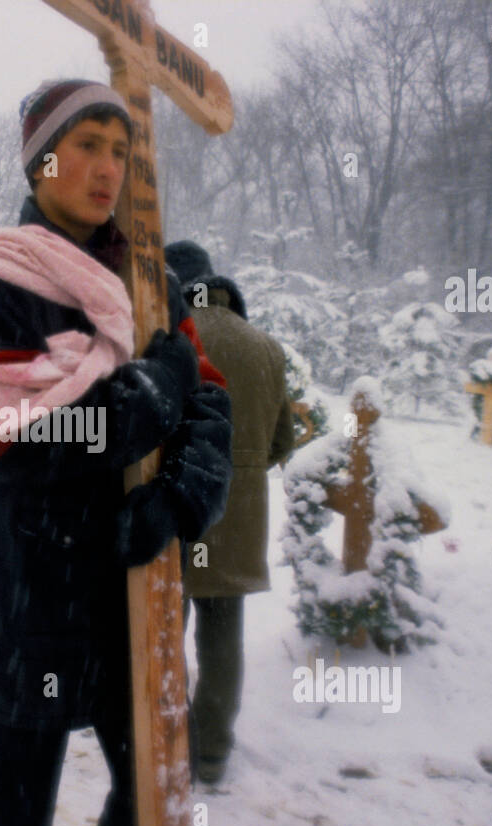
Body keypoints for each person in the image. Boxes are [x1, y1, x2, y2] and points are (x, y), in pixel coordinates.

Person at [0, 78, 233, 826]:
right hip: (37, 590)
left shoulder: (148, 281)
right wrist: (157, 387)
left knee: (150, 790)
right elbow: (23, 437)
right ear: (41, 161)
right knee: (19, 806)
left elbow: (213, 409)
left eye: (120, 150)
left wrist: (177, 500)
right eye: (87, 145)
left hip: (141, 587)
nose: (108, 167)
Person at [165, 239, 295, 786]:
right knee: (222, 637)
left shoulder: (169, 336)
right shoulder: (266, 347)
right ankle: (213, 751)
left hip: (176, 507)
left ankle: (165, 740)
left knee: (164, 630)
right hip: (239, 517)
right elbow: (282, 442)